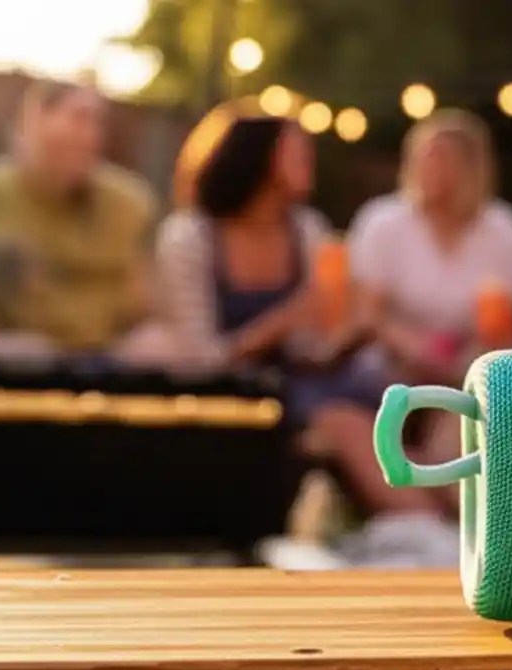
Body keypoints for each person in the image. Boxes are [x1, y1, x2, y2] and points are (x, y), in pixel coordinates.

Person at [155, 116, 446, 566]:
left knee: (418, 408)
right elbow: (200, 358)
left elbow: (315, 348)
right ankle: (442, 544)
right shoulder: (189, 237)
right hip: (248, 394)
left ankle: (481, 527)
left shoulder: (307, 230)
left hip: (317, 377)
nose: (310, 162)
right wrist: (282, 320)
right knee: (349, 426)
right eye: (297, 153)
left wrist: (349, 329)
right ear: (258, 160)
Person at [346, 109, 512, 511]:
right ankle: (426, 515)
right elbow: (368, 314)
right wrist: (413, 346)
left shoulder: (501, 229)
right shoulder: (383, 224)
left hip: (468, 365)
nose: (433, 172)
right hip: (392, 363)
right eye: (425, 159)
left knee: (466, 412)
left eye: (445, 160)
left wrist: (462, 361)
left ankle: (462, 516)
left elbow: (504, 320)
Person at [0, 80, 163, 362]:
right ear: (32, 120)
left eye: (98, 123)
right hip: (10, 352)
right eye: (78, 118)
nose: (90, 136)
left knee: (160, 346)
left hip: (109, 355)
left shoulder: (125, 203)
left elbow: (145, 297)